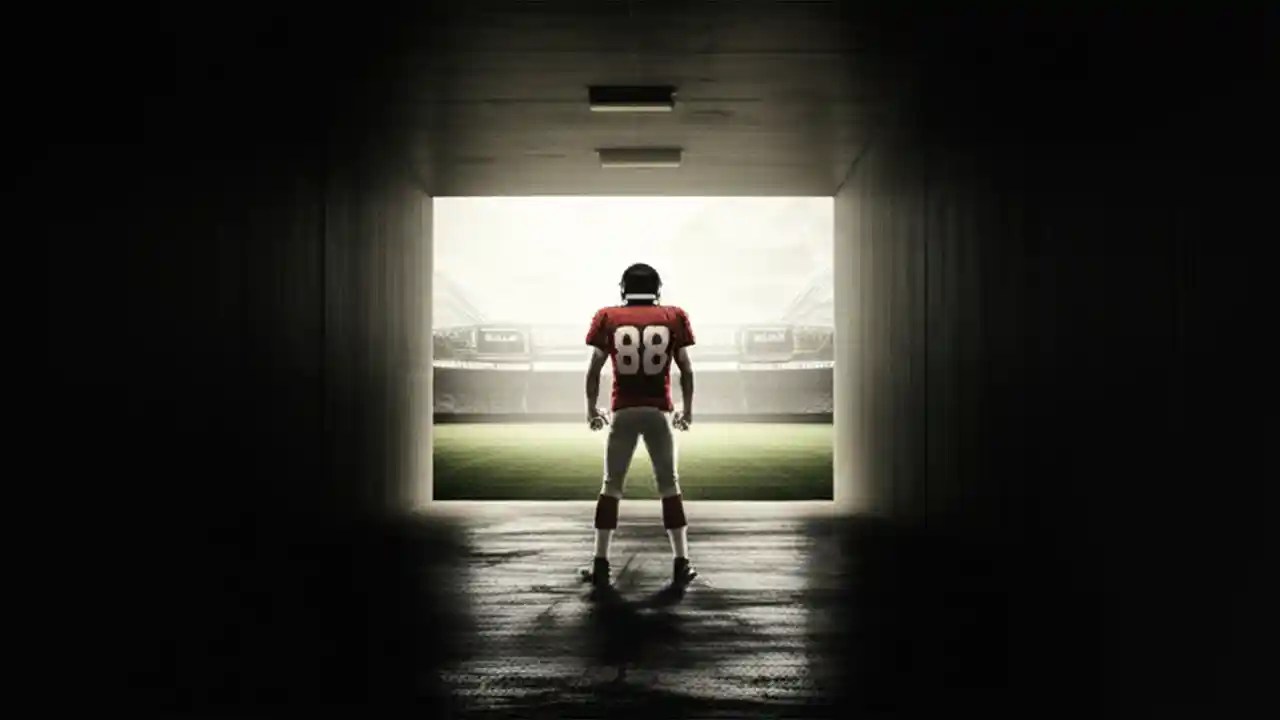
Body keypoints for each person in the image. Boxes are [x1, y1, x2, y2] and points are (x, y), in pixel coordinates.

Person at [582, 263, 697, 591]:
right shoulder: (673, 316)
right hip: (658, 412)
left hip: (624, 411)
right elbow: (686, 370)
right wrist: (688, 411)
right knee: (669, 486)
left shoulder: (608, 317)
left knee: (611, 486)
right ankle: (681, 562)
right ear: (658, 289)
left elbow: (593, 371)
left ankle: (600, 564)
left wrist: (591, 410)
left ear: (623, 289)